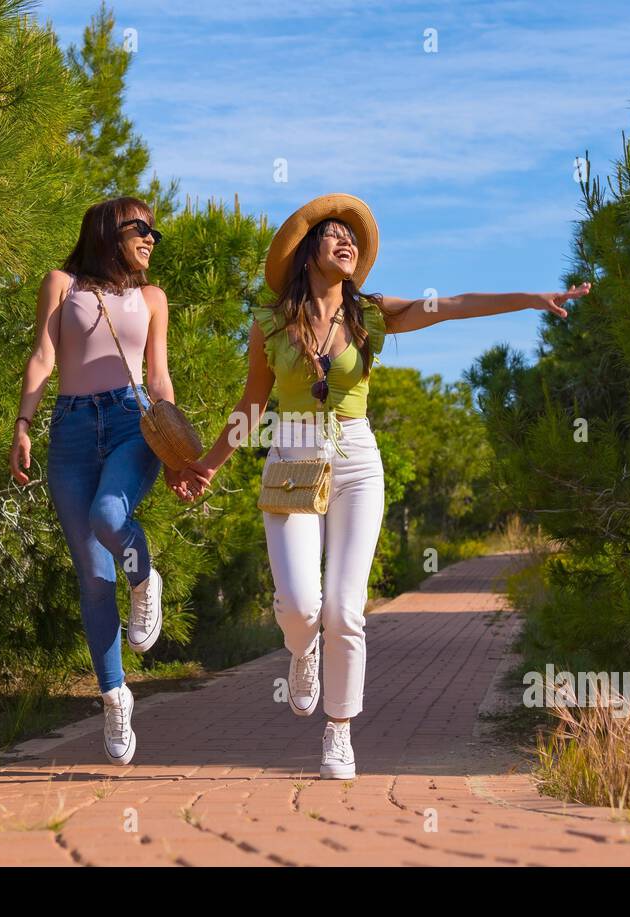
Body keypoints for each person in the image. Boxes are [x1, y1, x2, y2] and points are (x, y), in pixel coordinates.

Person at [182, 193, 591, 779]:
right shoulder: (270, 324)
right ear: (306, 251)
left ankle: (339, 730)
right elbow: (250, 406)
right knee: (301, 608)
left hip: (355, 457)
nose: (346, 240)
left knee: (345, 608)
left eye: (352, 235)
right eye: (332, 232)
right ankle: (302, 651)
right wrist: (210, 464)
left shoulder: (369, 315)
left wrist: (530, 299)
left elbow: (449, 305)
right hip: (292, 453)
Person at [10, 197, 195, 766]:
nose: (152, 239)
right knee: (92, 576)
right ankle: (115, 696)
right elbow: (44, 356)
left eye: (154, 233)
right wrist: (22, 424)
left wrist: (175, 451)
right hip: (68, 429)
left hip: (131, 420)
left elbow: (159, 376)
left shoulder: (152, 298)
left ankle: (144, 578)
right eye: (143, 229)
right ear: (110, 232)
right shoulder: (61, 284)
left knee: (109, 518)